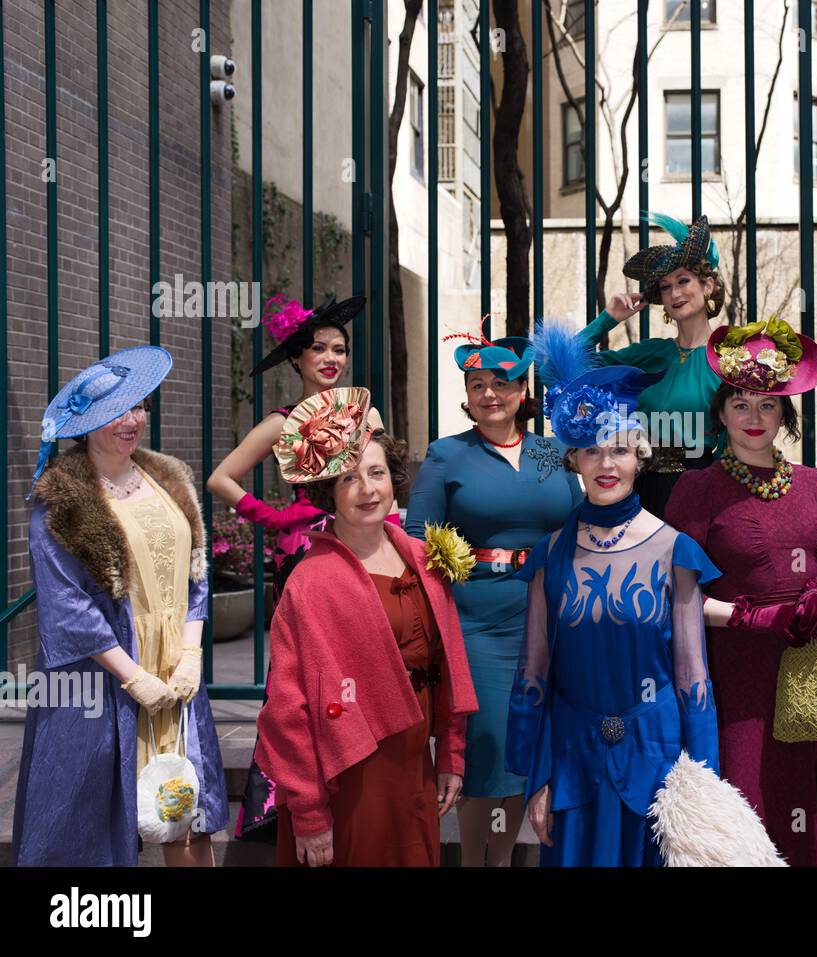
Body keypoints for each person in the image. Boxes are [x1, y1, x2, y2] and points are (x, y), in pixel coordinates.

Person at [505, 320, 720, 867]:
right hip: (573, 764)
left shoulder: (678, 551)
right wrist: (538, 774)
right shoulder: (549, 554)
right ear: (573, 458)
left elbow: (694, 678)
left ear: (639, 458)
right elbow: (533, 673)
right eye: (594, 451)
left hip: (660, 764)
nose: (607, 464)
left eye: (621, 450)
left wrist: (705, 782)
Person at [14, 347, 228, 866]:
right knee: (85, 825)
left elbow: (195, 569)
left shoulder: (169, 476)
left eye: (138, 407)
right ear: (85, 426)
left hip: (174, 671)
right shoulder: (60, 504)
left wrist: (190, 654)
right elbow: (68, 608)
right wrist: (134, 678)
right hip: (103, 678)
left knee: (185, 809)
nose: (132, 420)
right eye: (115, 412)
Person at [254, 387, 479, 866]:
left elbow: (448, 664)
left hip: (414, 764)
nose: (368, 489)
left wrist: (452, 754)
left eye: (377, 473)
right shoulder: (310, 582)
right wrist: (311, 814)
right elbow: (287, 707)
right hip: (350, 771)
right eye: (350, 478)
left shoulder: (422, 558)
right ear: (328, 492)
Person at [665, 317, 817, 867]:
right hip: (737, 679)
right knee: (749, 809)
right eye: (741, 403)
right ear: (720, 412)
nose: (754, 417)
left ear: (784, 416)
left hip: (812, 674)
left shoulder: (815, 483)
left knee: (810, 809)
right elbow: (680, 598)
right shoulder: (696, 489)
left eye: (767, 405)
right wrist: (754, 620)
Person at [206, 294, 391, 840]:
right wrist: (277, 517)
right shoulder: (281, 422)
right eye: (319, 349)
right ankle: (278, 805)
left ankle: (357, 784)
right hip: (303, 559)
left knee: (360, 667)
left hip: (360, 549)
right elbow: (221, 479)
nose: (331, 358)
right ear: (297, 358)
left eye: (340, 349)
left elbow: (384, 484)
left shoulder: (367, 413)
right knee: (299, 677)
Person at [404, 323, 582, 866]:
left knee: (524, 744)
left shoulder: (553, 453)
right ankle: (474, 860)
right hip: (478, 618)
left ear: (522, 393)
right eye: (477, 384)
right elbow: (416, 539)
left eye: (501, 383)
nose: (489, 394)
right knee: (486, 745)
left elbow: (579, 527)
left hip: (547, 612)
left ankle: (501, 860)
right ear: (466, 396)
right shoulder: (446, 455)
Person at [577, 213, 726, 516]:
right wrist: (608, 319)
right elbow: (558, 367)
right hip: (634, 488)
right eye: (665, 287)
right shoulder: (648, 355)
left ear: (707, 285)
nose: (674, 293)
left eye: (683, 281)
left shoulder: (729, 358)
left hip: (699, 491)